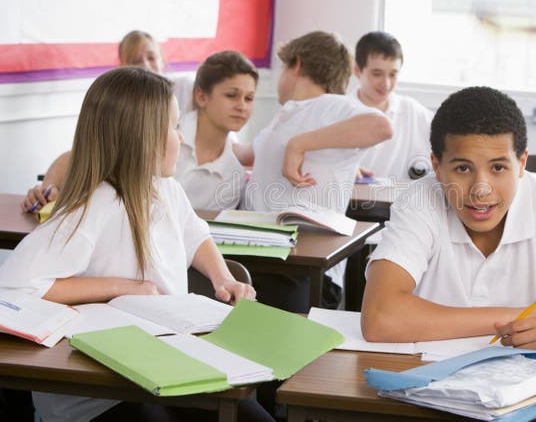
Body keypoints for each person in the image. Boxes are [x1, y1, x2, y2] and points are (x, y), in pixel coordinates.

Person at [0, 67, 281, 422]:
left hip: (167, 362)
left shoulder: (167, 190)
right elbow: (13, 288)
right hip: (99, 386)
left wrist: (223, 278)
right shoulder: (93, 207)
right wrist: (121, 286)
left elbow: (196, 236)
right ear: (144, 138)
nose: (181, 137)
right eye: (175, 128)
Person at [361, 86, 536, 360]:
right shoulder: (420, 202)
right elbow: (380, 317)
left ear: (521, 163)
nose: (480, 189)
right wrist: (512, 316)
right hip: (423, 375)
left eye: (498, 167)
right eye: (463, 168)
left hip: (529, 382)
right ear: (436, 166)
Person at [243, 30, 393, 312]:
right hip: (263, 257)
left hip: (299, 269)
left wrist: (299, 145)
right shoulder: (285, 116)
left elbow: (381, 127)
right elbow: (248, 154)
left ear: (296, 64)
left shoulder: (330, 105)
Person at [21, 31, 193, 213]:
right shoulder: (118, 108)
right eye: (135, 60)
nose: (145, 65)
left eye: (151, 57)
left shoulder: (182, 93)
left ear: (162, 60)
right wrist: (48, 189)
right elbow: (82, 156)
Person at [174, 51, 256, 211]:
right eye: (231, 95)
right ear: (201, 97)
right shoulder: (163, 136)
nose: (242, 106)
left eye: (249, 98)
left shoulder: (234, 177)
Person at [352, 31, 433, 180]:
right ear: (357, 70)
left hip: (397, 194)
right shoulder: (339, 111)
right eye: (377, 74)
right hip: (347, 194)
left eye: (393, 74)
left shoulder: (411, 111)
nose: (386, 83)